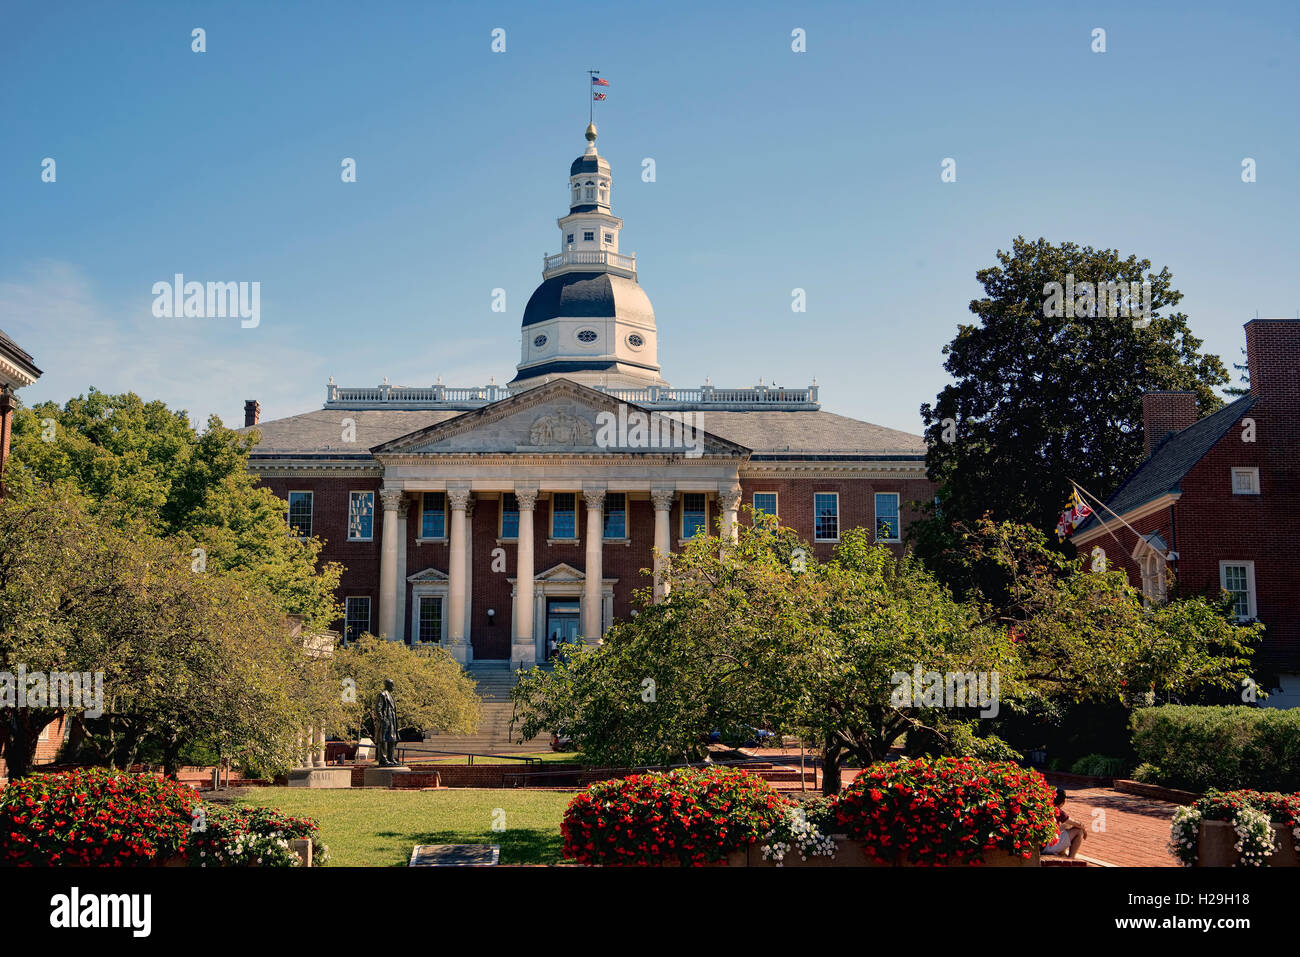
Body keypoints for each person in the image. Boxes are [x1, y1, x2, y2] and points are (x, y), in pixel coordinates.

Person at [1042, 787, 1086, 857]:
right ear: (1063, 802)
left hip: (1041, 846)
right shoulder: (1057, 811)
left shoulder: (1044, 807)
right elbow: (1077, 824)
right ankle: (1071, 858)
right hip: (1048, 847)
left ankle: (1062, 853)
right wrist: (1083, 829)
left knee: (1065, 826)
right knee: (1079, 831)